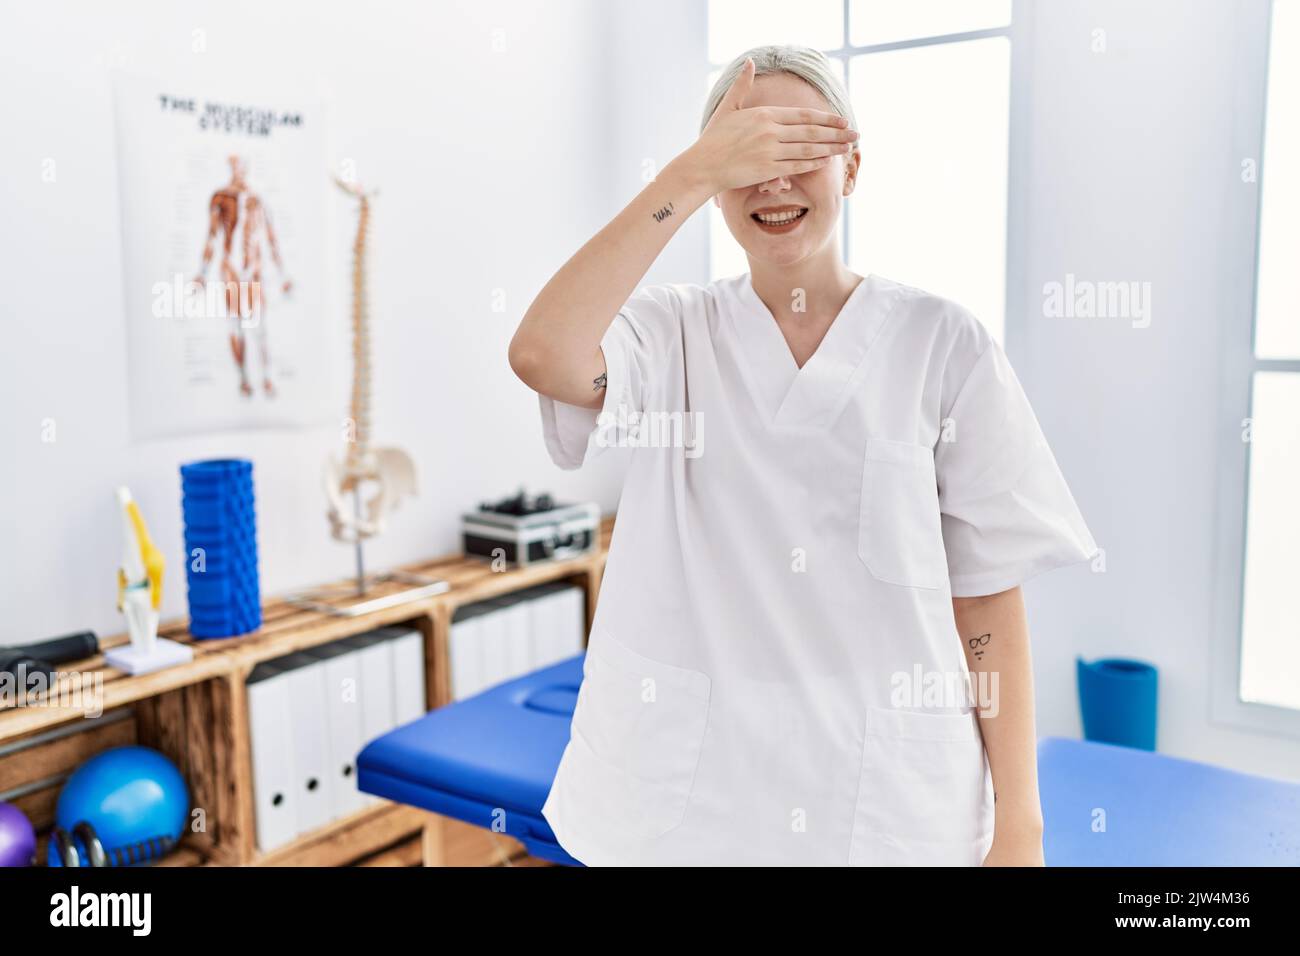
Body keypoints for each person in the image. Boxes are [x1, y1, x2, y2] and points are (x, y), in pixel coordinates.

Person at [509, 45, 1097, 866]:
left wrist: (1020, 824)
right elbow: (543, 352)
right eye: (746, 155)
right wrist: (686, 175)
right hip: (690, 808)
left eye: (800, 150)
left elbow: (987, 597)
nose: (773, 182)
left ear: (852, 167)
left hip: (884, 806)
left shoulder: (943, 345)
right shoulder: (669, 334)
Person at [193, 155, 293, 398]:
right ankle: (243, 378)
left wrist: (283, 275)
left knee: (259, 327)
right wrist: (202, 273)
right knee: (236, 326)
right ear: (231, 167)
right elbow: (212, 235)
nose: (240, 170)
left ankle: (267, 378)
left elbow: (271, 237)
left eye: (243, 166)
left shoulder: (257, 201)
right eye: (236, 165)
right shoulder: (221, 198)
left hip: (252, 271)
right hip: (231, 271)